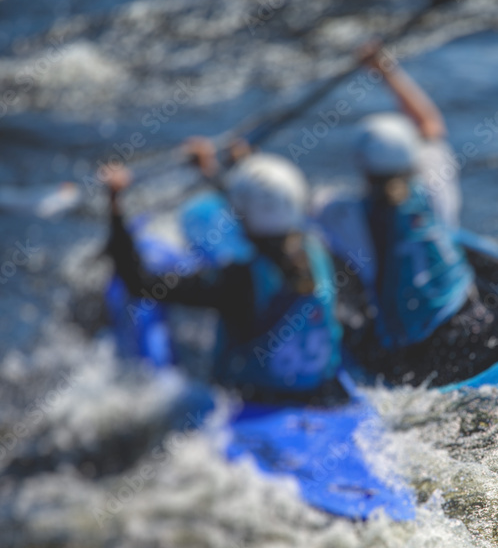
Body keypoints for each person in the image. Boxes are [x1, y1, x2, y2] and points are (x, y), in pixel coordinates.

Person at [102, 144, 344, 404]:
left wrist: (115, 205)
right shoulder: (323, 252)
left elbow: (140, 283)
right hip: (322, 393)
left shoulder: (236, 279)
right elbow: (260, 208)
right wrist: (212, 173)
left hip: (254, 400)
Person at [334, 43, 496, 380]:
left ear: (361, 167)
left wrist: (238, 163)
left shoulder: (341, 215)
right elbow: (429, 122)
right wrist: (385, 69)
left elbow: (280, 215)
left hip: (415, 352)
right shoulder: (436, 173)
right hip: (471, 318)